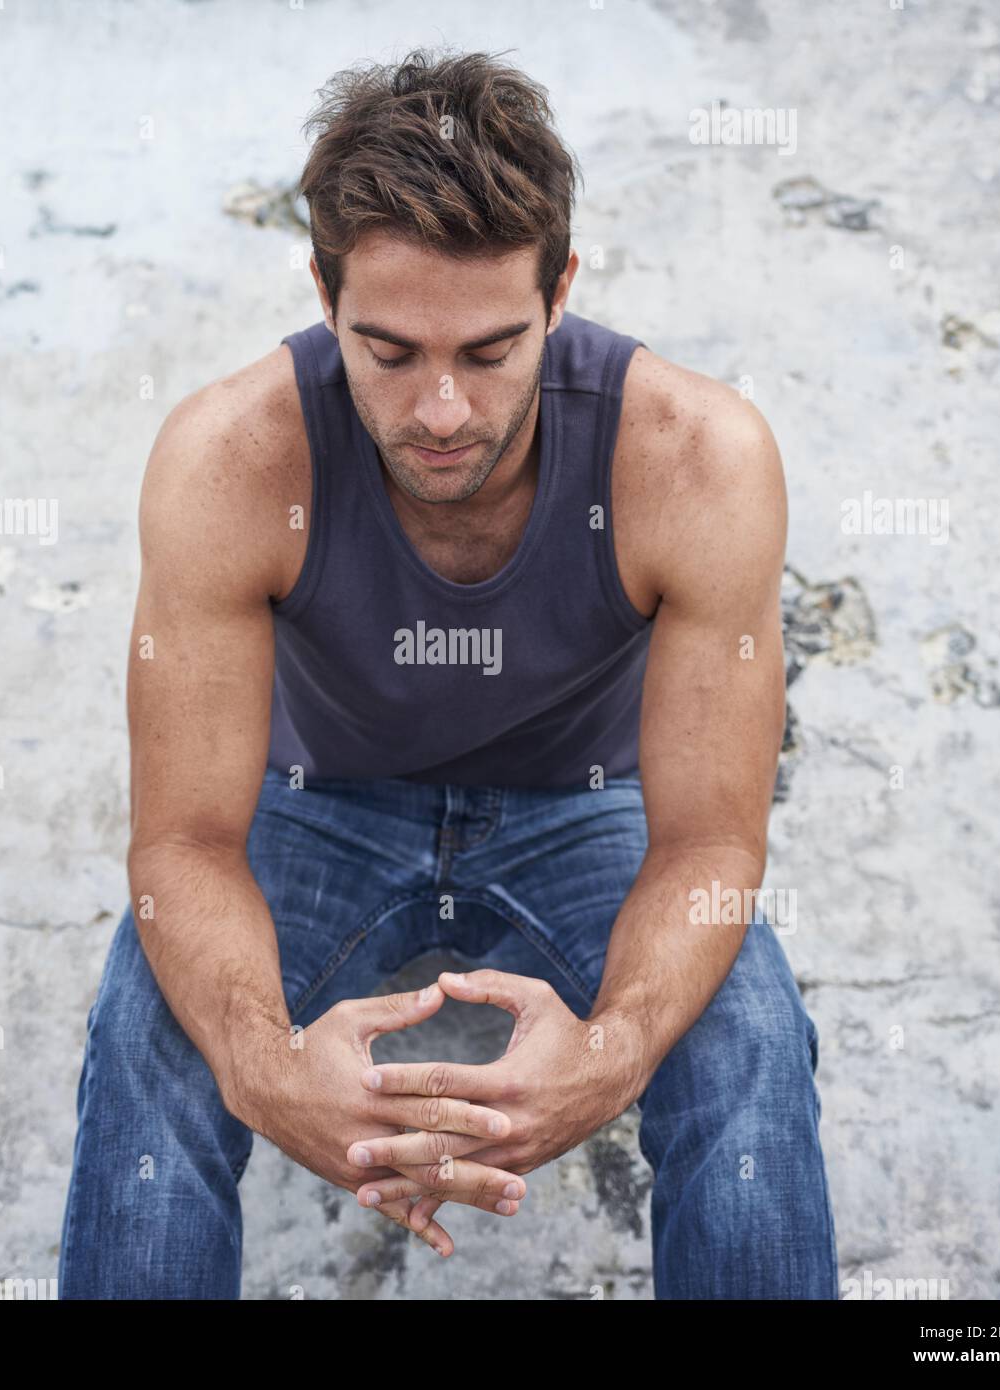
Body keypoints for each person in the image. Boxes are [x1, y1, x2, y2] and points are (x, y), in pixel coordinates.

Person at [58, 46, 838, 1299]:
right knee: (151, 1031)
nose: (438, 410)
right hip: (318, 799)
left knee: (743, 1038)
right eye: (387, 350)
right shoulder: (228, 459)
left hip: (584, 802)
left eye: (489, 351)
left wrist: (616, 1049)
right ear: (324, 295)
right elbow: (185, 846)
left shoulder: (696, 460)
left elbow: (707, 849)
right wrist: (266, 1069)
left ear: (560, 291)